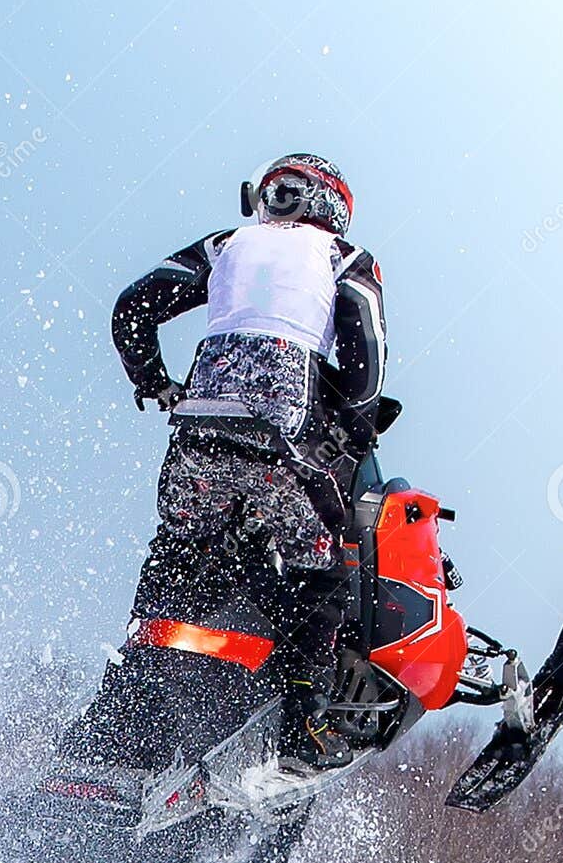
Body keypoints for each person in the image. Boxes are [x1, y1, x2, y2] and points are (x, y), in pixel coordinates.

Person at [100, 153, 387, 771]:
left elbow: (131, 307)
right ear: (331, 207)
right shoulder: (343, 257)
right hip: (284, 441)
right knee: (325, 565)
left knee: (179, 561)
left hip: (198, 437)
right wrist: (350, 427)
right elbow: (365, 362)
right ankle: (302, 718)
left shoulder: (227, 243)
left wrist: (158, 384)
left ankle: (118, 727)